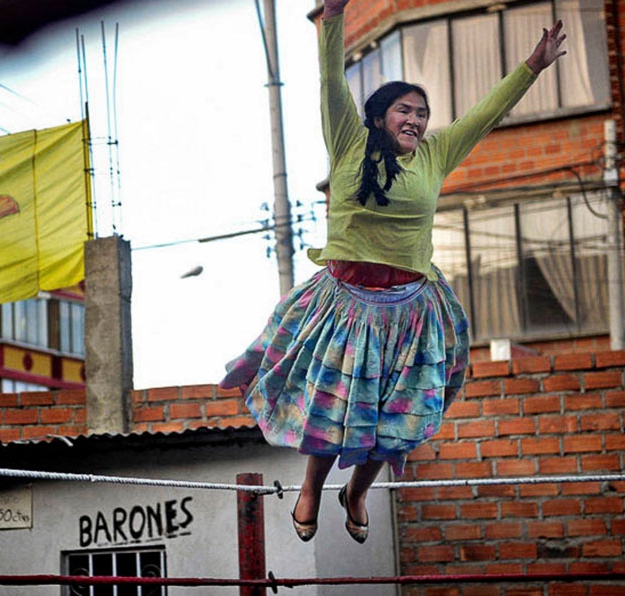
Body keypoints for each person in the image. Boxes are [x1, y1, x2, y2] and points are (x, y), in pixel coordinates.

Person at [220, 0, 566, 544]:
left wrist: (532, 67)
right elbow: (330, 80)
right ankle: (312, 489)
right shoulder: (348, 142)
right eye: (405, 110)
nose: (416, 120)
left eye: (422, 113)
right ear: (381, 116)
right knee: (334, 406)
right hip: (345, 305)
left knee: (397, 419)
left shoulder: (434, 154)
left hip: (410, 312)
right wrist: (333, 18)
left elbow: (485, 114)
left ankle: (357, 493)